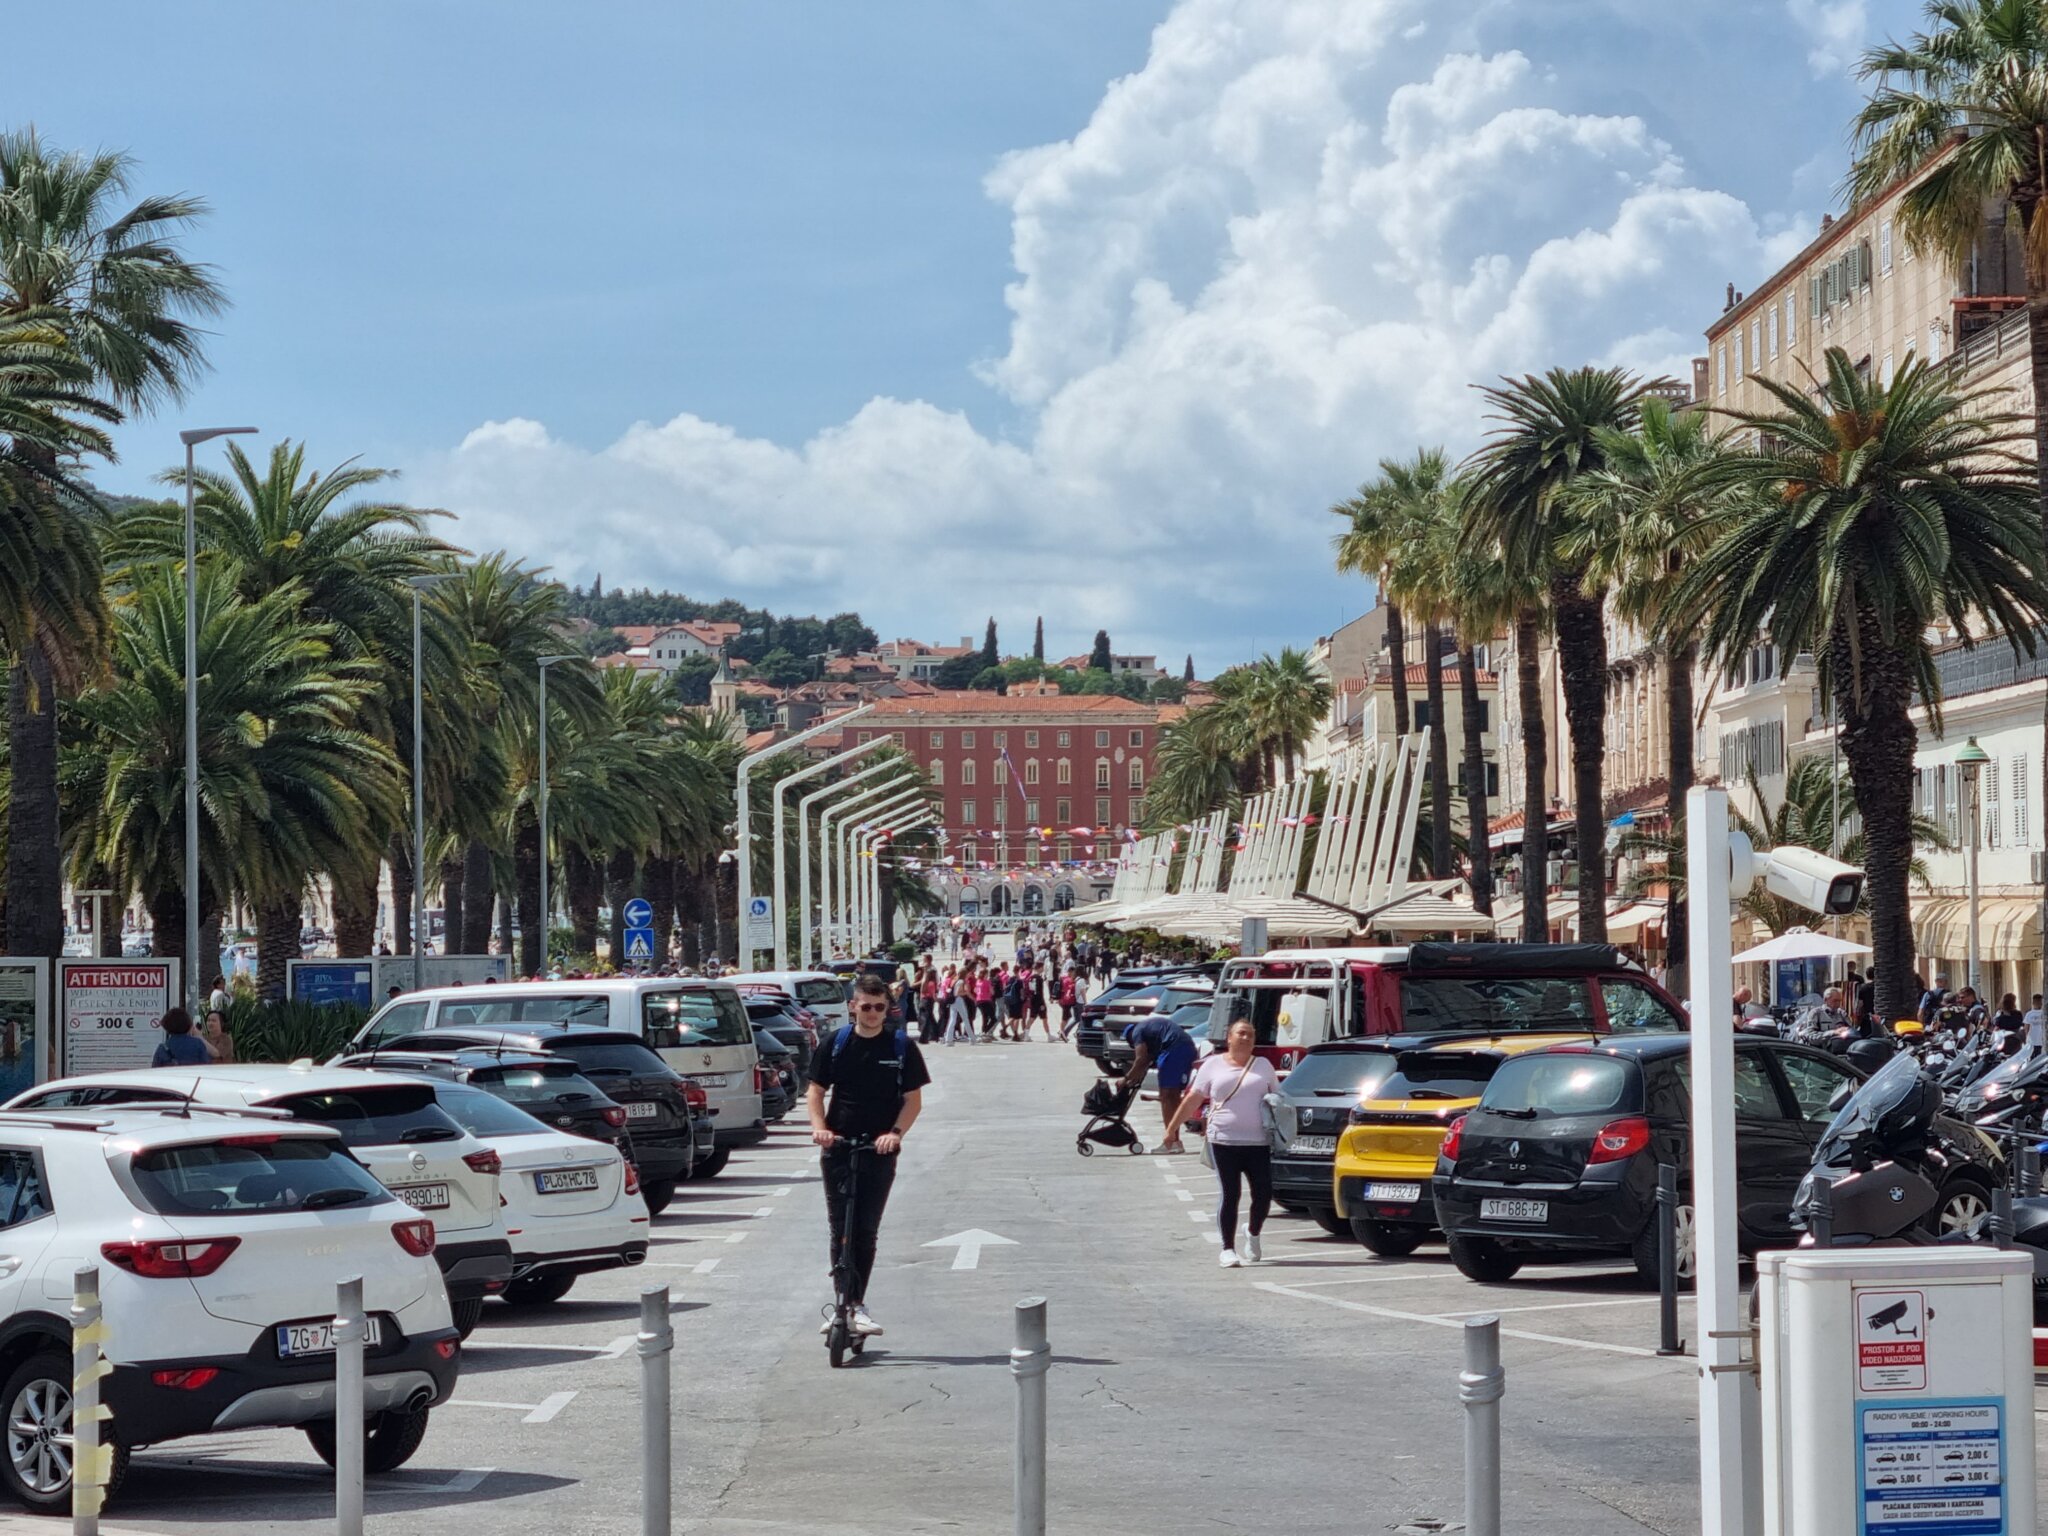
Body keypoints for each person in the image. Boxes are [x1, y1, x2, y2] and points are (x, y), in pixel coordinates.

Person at [807, 975, 929, 1338]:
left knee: (865, 1229)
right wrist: (820, 1129)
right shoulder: (836, 1043)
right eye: (866, 1007)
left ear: (887, 1008)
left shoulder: (900, 1046)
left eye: (879, 1007)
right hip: (838, 1146)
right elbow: (815, 1092)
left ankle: (857, 1304)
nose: (873, 1014)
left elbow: (913, 1101)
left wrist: (894, 1135)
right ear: (853, 1007)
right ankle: (840, 1302)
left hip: (879, 1149)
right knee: (839, 1228)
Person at [1163, 1020, 1279, 1267]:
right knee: (1231, 1193)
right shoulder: (1213, 1065)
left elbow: (1276, 1099)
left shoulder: (1263, 1066)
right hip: (1223, 1139)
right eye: (1241, 1033)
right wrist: (1172, 1128)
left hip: (1257, 1141)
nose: (1246, 1038)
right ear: (1229, 1037)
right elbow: (1194, 1098)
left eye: (1250, 1034)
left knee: (1263, 1193)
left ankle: (1254, 1232)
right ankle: (1227, 1248)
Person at [1121, 1009, 1198, 1147]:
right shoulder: (1151, 1028)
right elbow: (1147, 1060)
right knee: (1173, 1096)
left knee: (1167, 1096)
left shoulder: (1137, 1031)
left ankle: (1170, 1142)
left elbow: (1141, 1059)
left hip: (1174, 1049)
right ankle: (1175, 1141)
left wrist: (1125, 1079)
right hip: (1188, 1047)